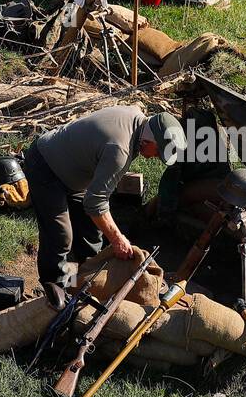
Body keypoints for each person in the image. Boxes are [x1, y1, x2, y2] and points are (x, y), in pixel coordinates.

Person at [24, 105, 185, 288]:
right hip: (46, 165)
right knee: (60, 237)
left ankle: (84, 281)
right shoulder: (120, 151)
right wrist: (117, 239)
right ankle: (55, 289)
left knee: (90, 232)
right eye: (158, 152)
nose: (155, 157)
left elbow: (95, 201)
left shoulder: (136, 117)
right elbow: (95, 202)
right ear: (148, 141)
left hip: (75, 172)